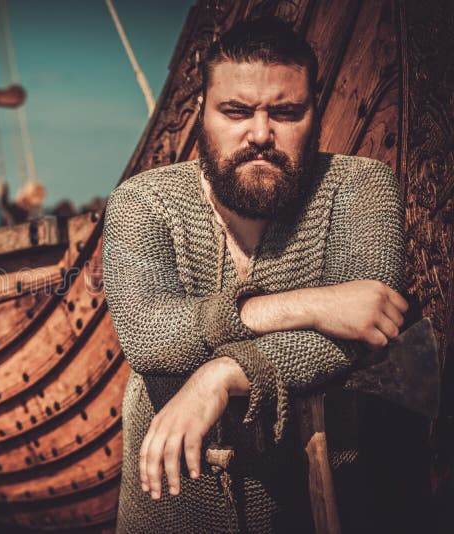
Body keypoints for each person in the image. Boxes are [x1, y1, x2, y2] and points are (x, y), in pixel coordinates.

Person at [102, 16, 407, 533]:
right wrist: (314, 306)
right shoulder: (143, 201)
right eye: (237, 111)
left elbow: (360, 336)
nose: (261, 133)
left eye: (286, 112)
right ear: (203, 113)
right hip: (173, 505)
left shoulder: (360, 188)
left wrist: (219, 376)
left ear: (316, 112)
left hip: (315, 502)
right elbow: (150, 336)